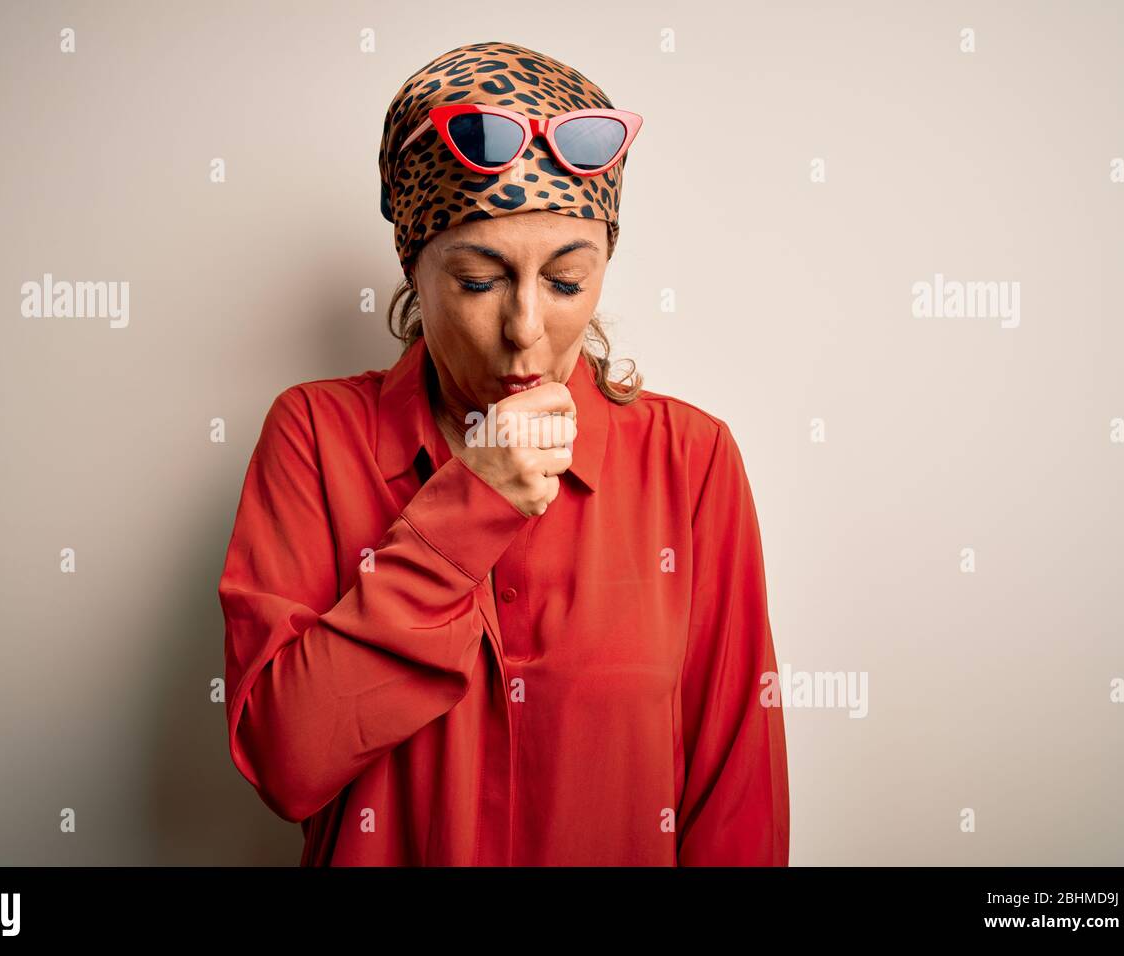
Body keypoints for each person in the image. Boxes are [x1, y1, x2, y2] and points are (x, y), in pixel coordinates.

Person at [218, 40, 789, 865]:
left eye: (566, 283)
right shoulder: (312, 436)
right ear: (412, 263)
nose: (526, 328)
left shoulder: (691, 461)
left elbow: (738, 798)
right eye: (480, 282)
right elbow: (286, 761)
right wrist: (465, 513)